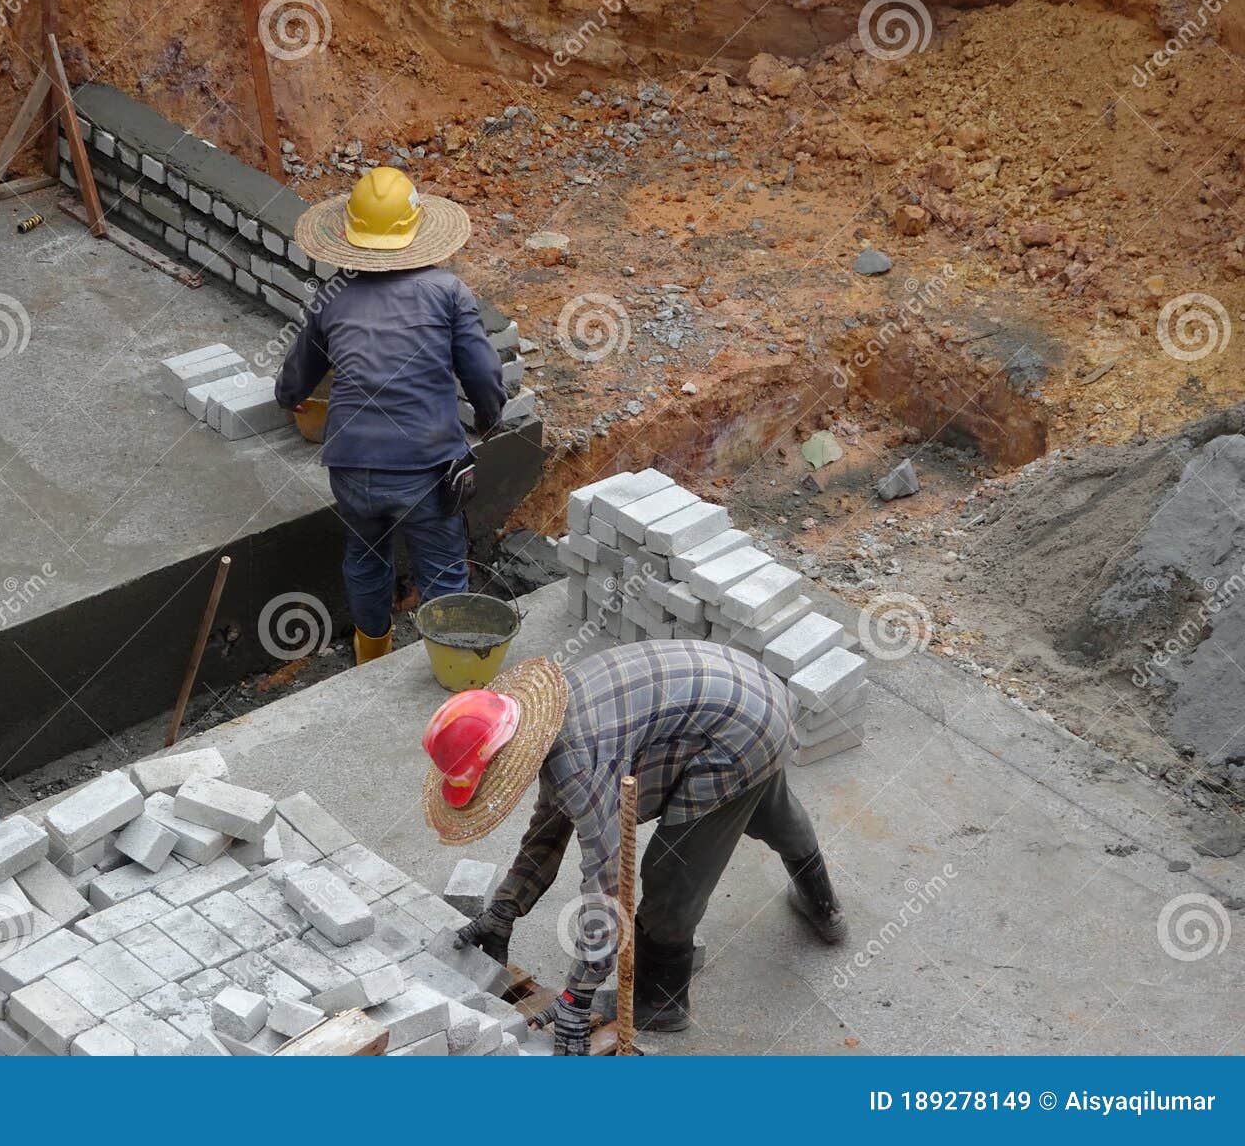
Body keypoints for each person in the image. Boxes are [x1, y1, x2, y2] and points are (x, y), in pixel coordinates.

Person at [421, 641, 847, 1055]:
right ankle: (823, 907)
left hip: (739, 729)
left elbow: (606, 881)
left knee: (674, 869)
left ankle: (661, 1002)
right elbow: (549, 826)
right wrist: (503, 910)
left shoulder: (577, 763)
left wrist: (578, 993)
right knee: (766, 807)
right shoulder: (542, 718)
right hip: (746, 691)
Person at [277, 166, 506, 665]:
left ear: (351, 233)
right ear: (416, 230)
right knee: (443, 571)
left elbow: (300, 370)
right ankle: (452, 671)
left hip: (351, 465)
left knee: (364, 557)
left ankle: (371, 657)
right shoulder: (447, 292)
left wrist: (289, 396)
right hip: (425, 468)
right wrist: (490, 419)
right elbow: (484, 376)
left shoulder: (333, 294)